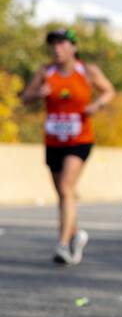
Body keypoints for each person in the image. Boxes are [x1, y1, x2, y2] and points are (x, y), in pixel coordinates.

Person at [20, 28, 115, 265]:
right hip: (53, 139)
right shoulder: (45, 72)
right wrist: (38, 93)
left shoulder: (87, 70)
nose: (57, 49)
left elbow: (109, 91)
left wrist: (97, 105)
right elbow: (25, 97)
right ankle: (76, 235)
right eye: (53, 44)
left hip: (79, 138)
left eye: (62, 44)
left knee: (66, 186)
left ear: (73, 47)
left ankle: (62, 244)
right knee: (63, 193)